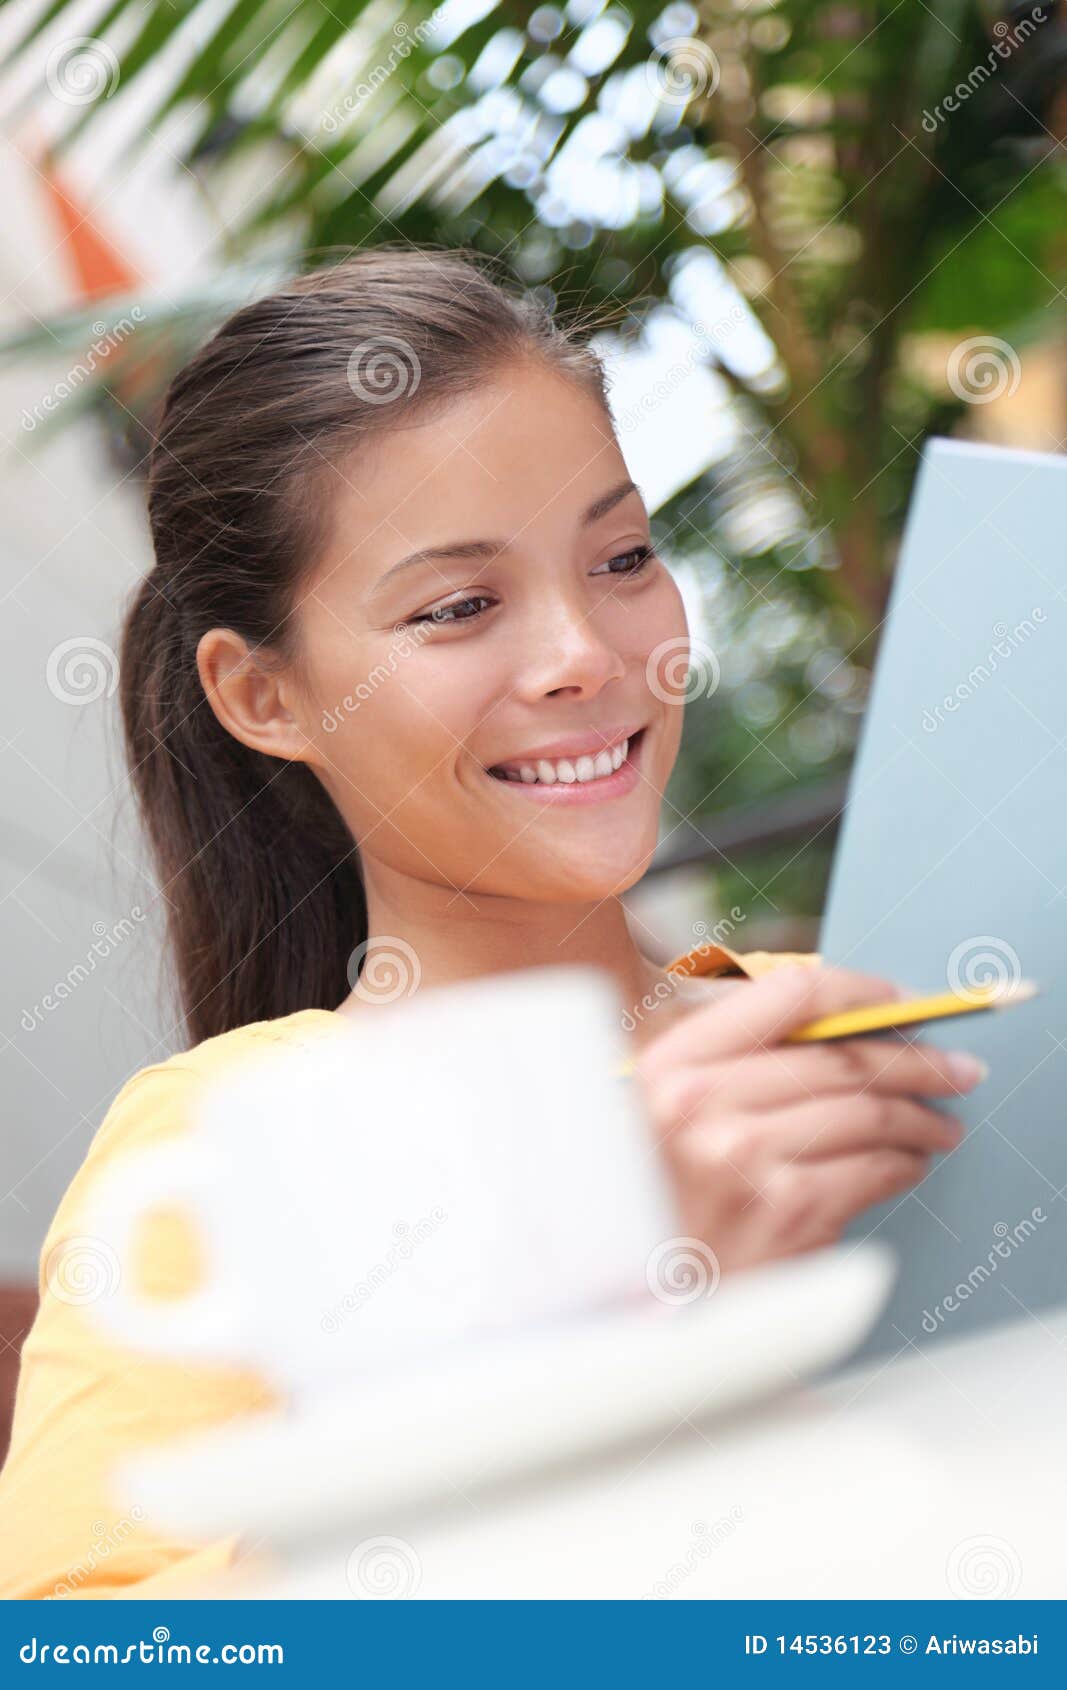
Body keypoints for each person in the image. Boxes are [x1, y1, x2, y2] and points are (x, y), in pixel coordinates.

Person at [0, 248, 984, 1598]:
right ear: (264, 696)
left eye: (623, 555)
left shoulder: (854, 1006)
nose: (585, 648)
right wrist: (606, 1345)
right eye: (462, 606)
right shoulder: (221, 1147)